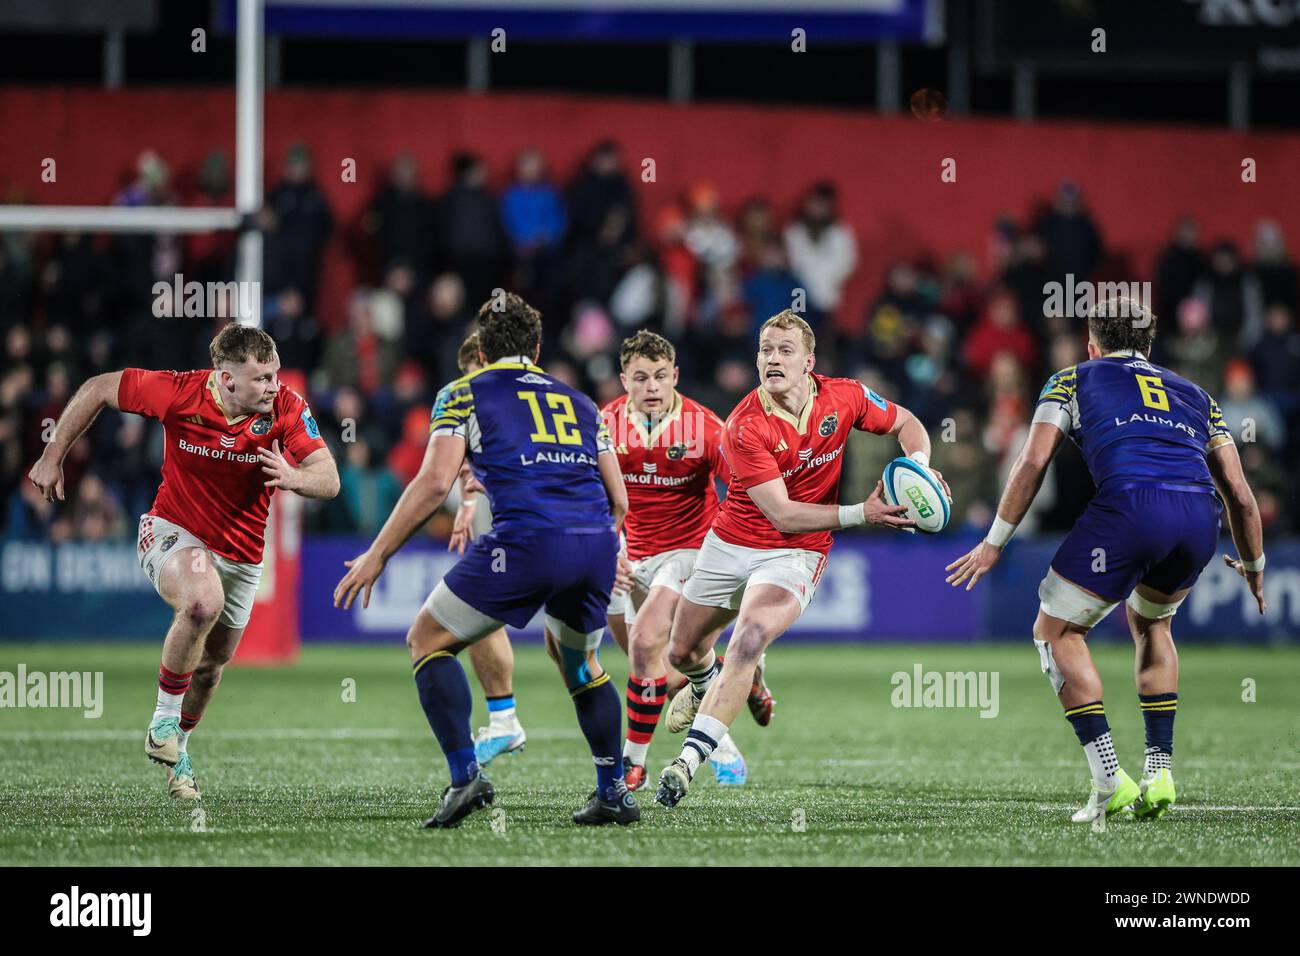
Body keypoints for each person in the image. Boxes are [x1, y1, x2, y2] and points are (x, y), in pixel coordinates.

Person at [946, 296, 1267, 823]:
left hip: (1130, 509)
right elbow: (1239, 492)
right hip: (1196, 518)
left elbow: (1033, 460)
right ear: (1150, 344)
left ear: (1092, 345)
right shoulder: (1197, 395)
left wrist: (994, 541)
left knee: (1056, 632)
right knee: (1152, 624)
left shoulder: (1072, 379)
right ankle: (1159, 772)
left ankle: (1108, 781)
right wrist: (1253, 568)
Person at [333, 293, 638, 827]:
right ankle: (613, 791)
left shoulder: (462, 393)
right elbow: (621, 502)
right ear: (537, 348)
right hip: (593, 543)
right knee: (582, 665)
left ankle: (464, 777)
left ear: (482, 347)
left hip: (527, 542)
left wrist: (377, 555)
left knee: (426, 640)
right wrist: (598, 548)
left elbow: (433, 483)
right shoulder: (582, 403)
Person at [27, 324, 340, 801]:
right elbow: (97, 389)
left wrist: (297, 477)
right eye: (262, 378)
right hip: (172, 530)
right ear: (226, 379)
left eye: (275, 375)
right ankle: (161, 724)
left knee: (213, 666)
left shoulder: (287, 407)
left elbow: (330, 479)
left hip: (242, 553)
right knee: (200, 601)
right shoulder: (177, 392)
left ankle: (180, 750)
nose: (273, 386)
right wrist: (53, 454)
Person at [654, 310, 945, 807]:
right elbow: (783, 513)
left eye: (784, 350)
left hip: (795, 554)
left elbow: (908, 423)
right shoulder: (744, 425)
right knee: (680, 655)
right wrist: (863, 513)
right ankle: (727, 682)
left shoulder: (845, 395)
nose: (772, 358)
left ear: (809, 361)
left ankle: (688, 761)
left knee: (747, 638)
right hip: (733, 543)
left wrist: (918, 469)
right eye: (765, 349)